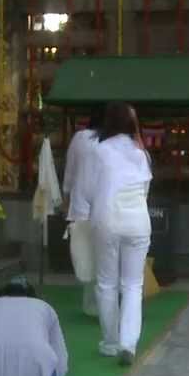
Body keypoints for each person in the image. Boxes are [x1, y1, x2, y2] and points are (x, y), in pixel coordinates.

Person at [70, 102, 152, 366]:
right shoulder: (141, 154)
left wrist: (83, 217)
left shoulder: (99, 150)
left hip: (106, 217)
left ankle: (110, 342)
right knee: (133, 285)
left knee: (106, 283)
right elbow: (145, 189)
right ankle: (129, 343)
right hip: (139, 218)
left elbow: (85, 189)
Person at [63, 109, 103, 315]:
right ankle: (102, 305)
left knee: (86, 257)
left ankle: (91, 304)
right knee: (104, 258)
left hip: (81, 208)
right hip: (106, 209)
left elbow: (69, 173)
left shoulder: (79, 139)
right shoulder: (115, 142)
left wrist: (66, 199)